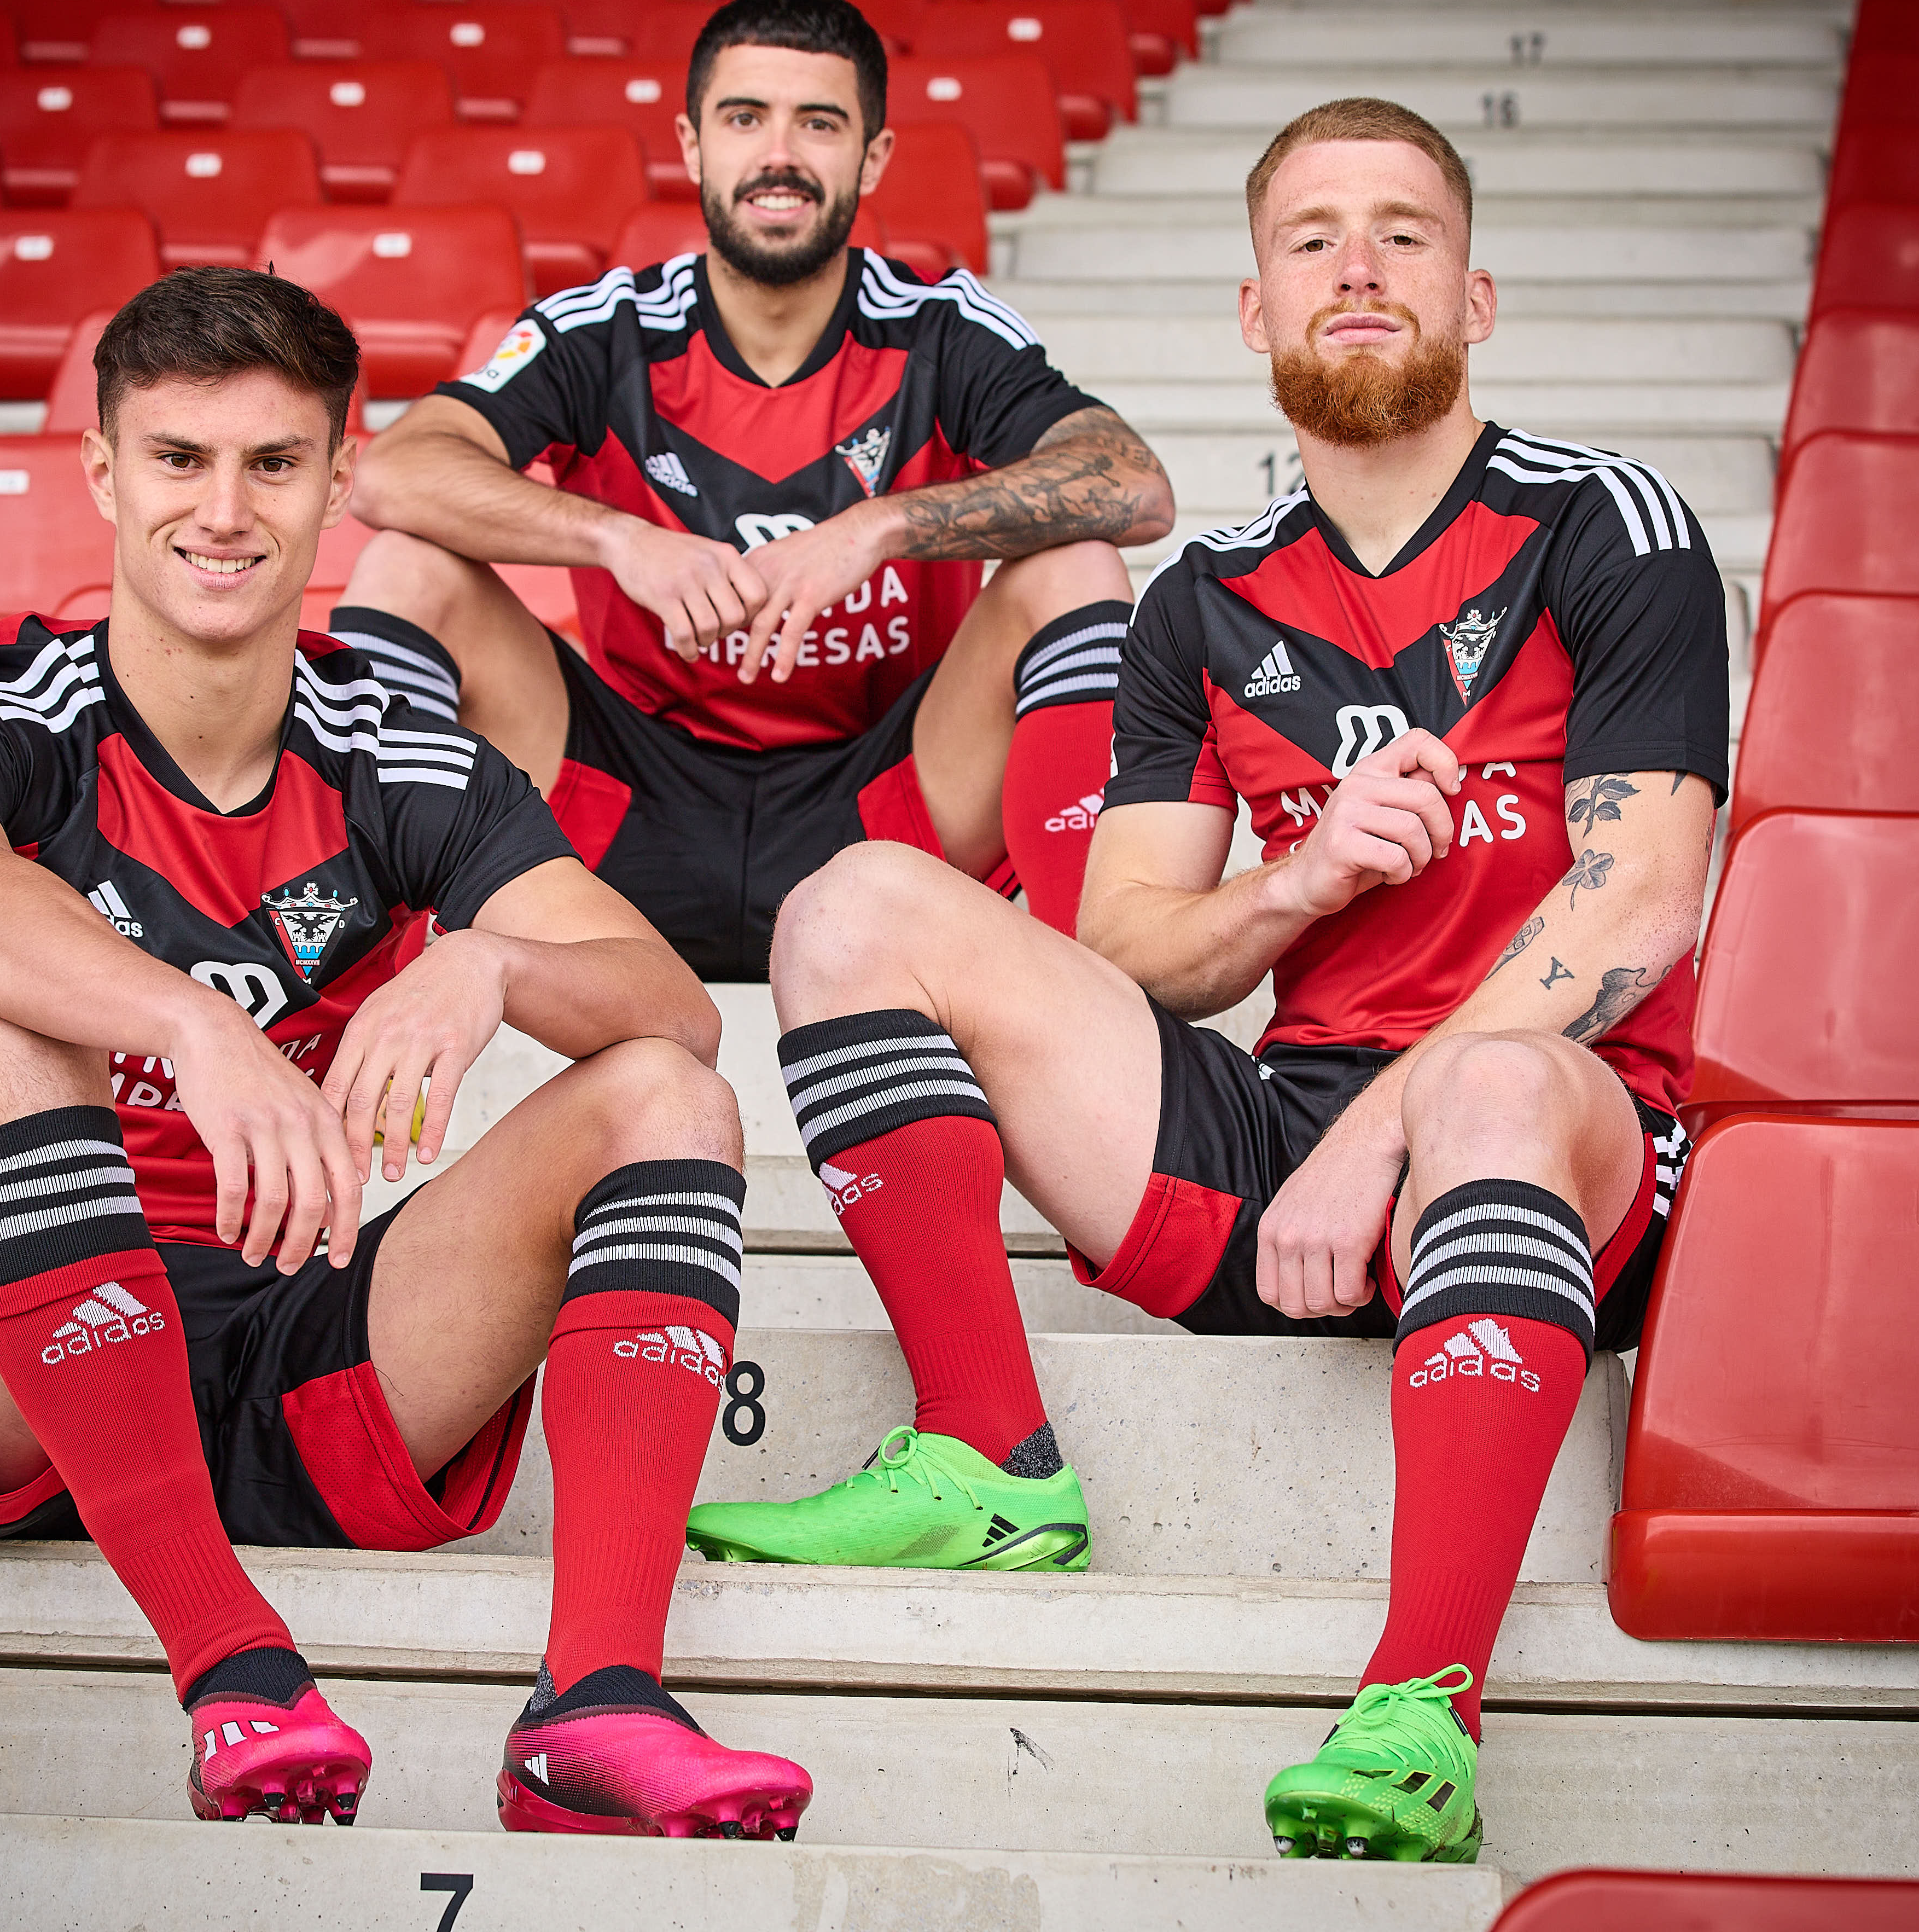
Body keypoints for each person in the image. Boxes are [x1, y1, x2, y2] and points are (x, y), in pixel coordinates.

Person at [685, 98, 1729, 1865]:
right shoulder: (1206, 601)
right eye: (1312, 237)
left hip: (1559, 1147)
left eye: (1405, 232)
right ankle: (990, 1460)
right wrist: (1302, 880)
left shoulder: (1607, 528)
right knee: (854, 905)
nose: (1359, 269)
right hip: (1292, 1146)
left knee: (1482, 1090)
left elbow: (1639, 906)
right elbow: (1127, 949)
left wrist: (1381, 1133)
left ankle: (1419, 1703)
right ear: (1254, 311)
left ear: (1477, 295)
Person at [0, 267, 813, 1840]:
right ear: (104, 473)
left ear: (341, 482)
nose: (224, 509)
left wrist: (489, 963)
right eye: (179, 460)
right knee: (11, 1045)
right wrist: (191, 1021)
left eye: (274, 464)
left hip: (280, 1349)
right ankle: (230, 1669)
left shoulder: (399, 756)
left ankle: (596, 1707)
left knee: (667, 1094)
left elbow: (670, 1002)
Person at [329, 0, 1173, 978]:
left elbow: (1133, 485)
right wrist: (619, 538)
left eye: (820, 123)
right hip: (620, 802)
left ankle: (1111, 987)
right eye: (745, 119)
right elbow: (393, 474)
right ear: (692, 145)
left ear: (874, 156)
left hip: (884, 812)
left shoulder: (943, 330)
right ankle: (362, 987)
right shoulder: (606, 329)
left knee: (1071, 568)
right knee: (405, 570)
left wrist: (881, 528)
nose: (780, 155)